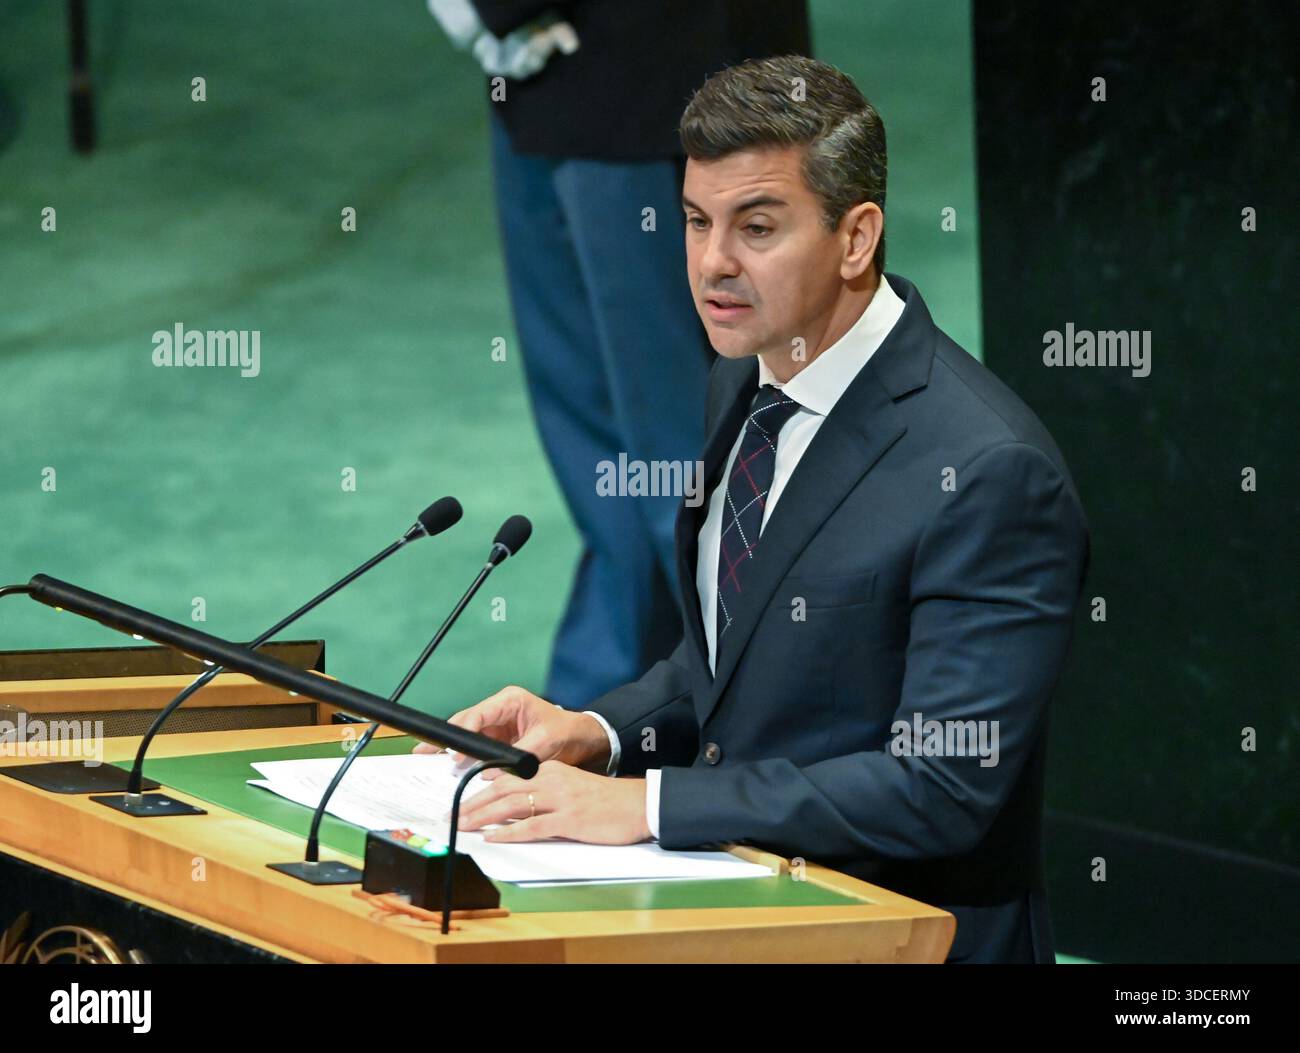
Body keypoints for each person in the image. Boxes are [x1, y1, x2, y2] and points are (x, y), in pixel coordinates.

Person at [421, 55, 1091, 964]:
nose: (712, 264)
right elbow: (738, 658)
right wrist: (603, 730)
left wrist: (651, 804)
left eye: (758, 227)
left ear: (857, 240)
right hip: (732, 921)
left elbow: (941, 785)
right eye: (697, 222)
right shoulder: (742, 377)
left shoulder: (989, 473)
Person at [430, 1, 811, 708]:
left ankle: (760, 730)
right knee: (606, 457)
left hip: (656, 77)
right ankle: (613, 719)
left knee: (687, 452)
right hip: (547, 79)